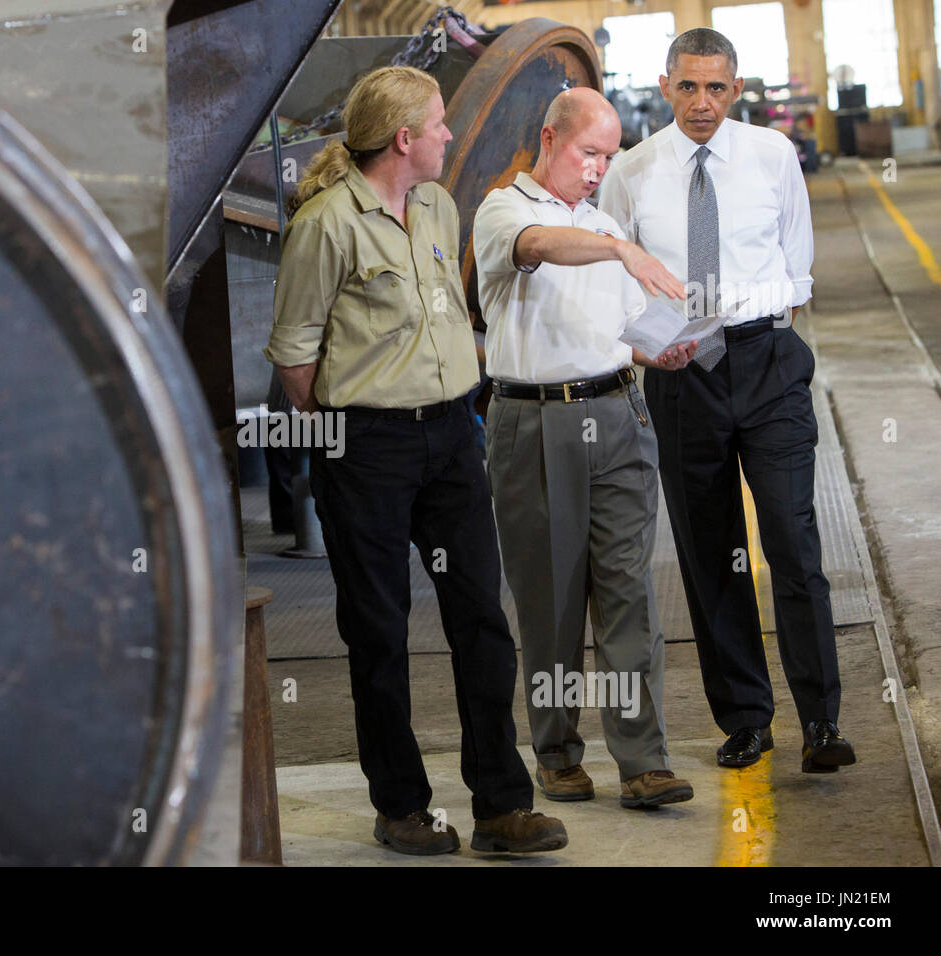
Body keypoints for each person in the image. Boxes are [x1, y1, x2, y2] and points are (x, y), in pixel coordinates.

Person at [264, 65, 567, 855]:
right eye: (438, 125)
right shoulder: (327, 224)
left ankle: (502, 807)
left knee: (481, 620)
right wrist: (356, 421)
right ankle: (401, 807)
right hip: (366, 446)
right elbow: (296, 361)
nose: (449, 134)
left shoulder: (436, 204)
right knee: (379, 630)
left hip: (451, 438)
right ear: (403, 139)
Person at [600, 29, 855, 774]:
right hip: (684, 374)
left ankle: (821, 721)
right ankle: (746, 718)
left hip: (767, 362)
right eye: (688, 87)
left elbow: (796, 265)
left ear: (736, 88)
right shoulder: (633, 171)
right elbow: (618, 277)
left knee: (792, 541)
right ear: (665, 84)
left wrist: (759, 330)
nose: (702, 103)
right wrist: (654, 346)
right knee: (713, 554)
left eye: (716, 88)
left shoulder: (773, 156)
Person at [474, 87, 696, 810]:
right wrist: (622, 248)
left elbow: (629, 326)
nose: (600, 168)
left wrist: (664, 349)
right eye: (588, 153)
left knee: (630, 592)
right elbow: (540, 250)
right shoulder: (507, 210)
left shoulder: (600, 225)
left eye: (609, 156)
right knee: (551, 599)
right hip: (535, 426)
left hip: (617, 412)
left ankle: (644, 760)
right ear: (550, 138)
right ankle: (557, 751)